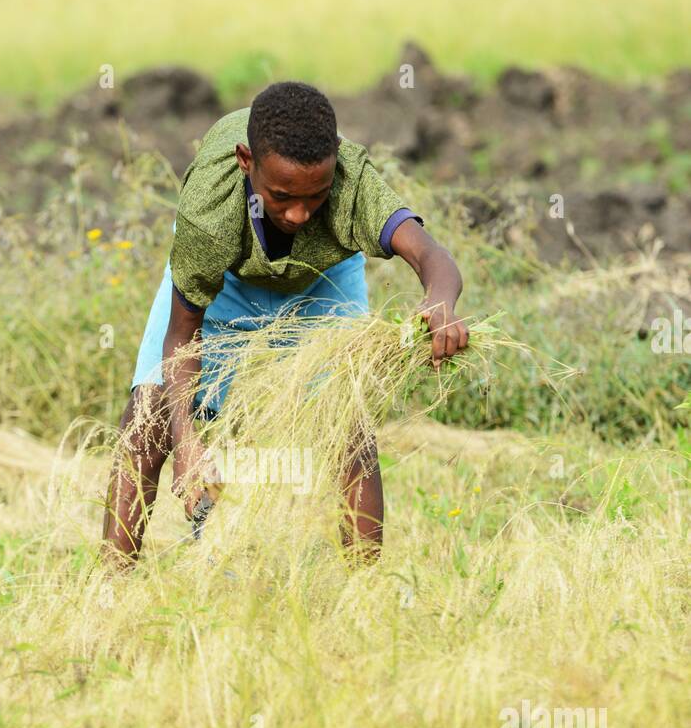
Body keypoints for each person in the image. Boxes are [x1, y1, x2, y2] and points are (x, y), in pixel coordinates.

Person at [102, 80, 469, 564]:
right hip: (225, 284)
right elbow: (181, 337)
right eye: (280, 196)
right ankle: (110, 588)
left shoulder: (351, 182)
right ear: (246, 162)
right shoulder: (209, 213)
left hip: (321, 283)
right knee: (148, 420)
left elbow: (428, 253)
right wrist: (188, 445)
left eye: (315, 196)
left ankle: (365, 594)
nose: (299, 213)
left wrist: (440, 301)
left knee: (347, 427)